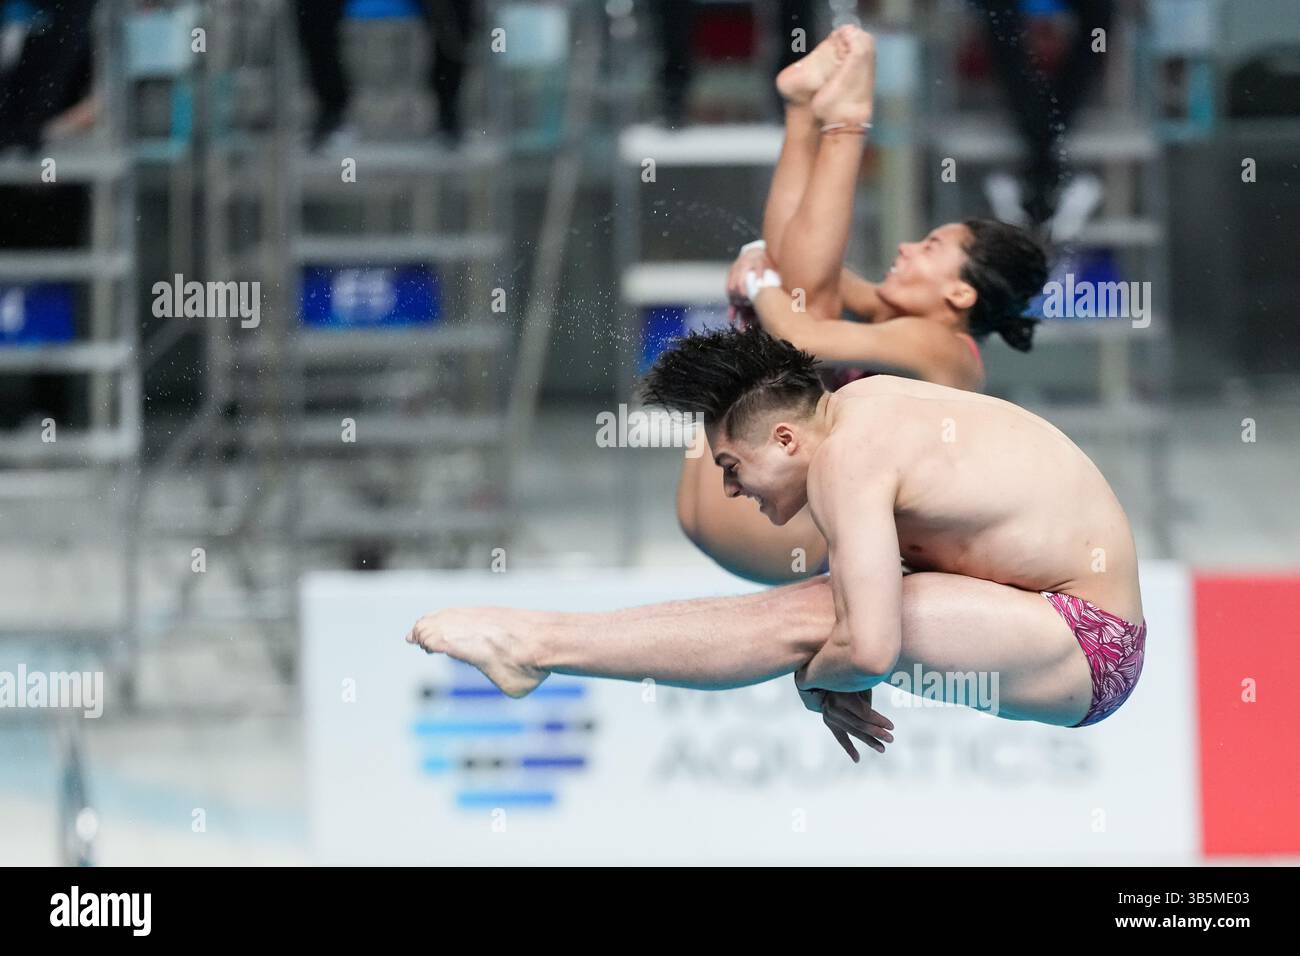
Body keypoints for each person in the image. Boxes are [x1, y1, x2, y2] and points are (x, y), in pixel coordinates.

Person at [406, 325, 1147, 760]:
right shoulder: (862, 408)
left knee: (810, 621)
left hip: (1088, 641)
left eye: (733, 467)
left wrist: (819, 675)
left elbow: (870, 649)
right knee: (822, 613)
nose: (732, 490)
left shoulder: (847, 456)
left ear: (787, 436)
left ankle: (535, 646)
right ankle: (537, 642)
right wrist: (840, 664)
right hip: (1065, 620)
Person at [682, 26, 1047, 583]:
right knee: (806, 283)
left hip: (782, 533)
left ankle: (845, 121)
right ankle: (807, 111)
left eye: (929, 249)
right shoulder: (895, 319)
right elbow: (802, 265)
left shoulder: (946, 351)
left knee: (803, 308)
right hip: (743, 494)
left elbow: (801, 335)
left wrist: (758, 285)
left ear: (959, 293)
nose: (905, 248)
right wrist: (760, 262)